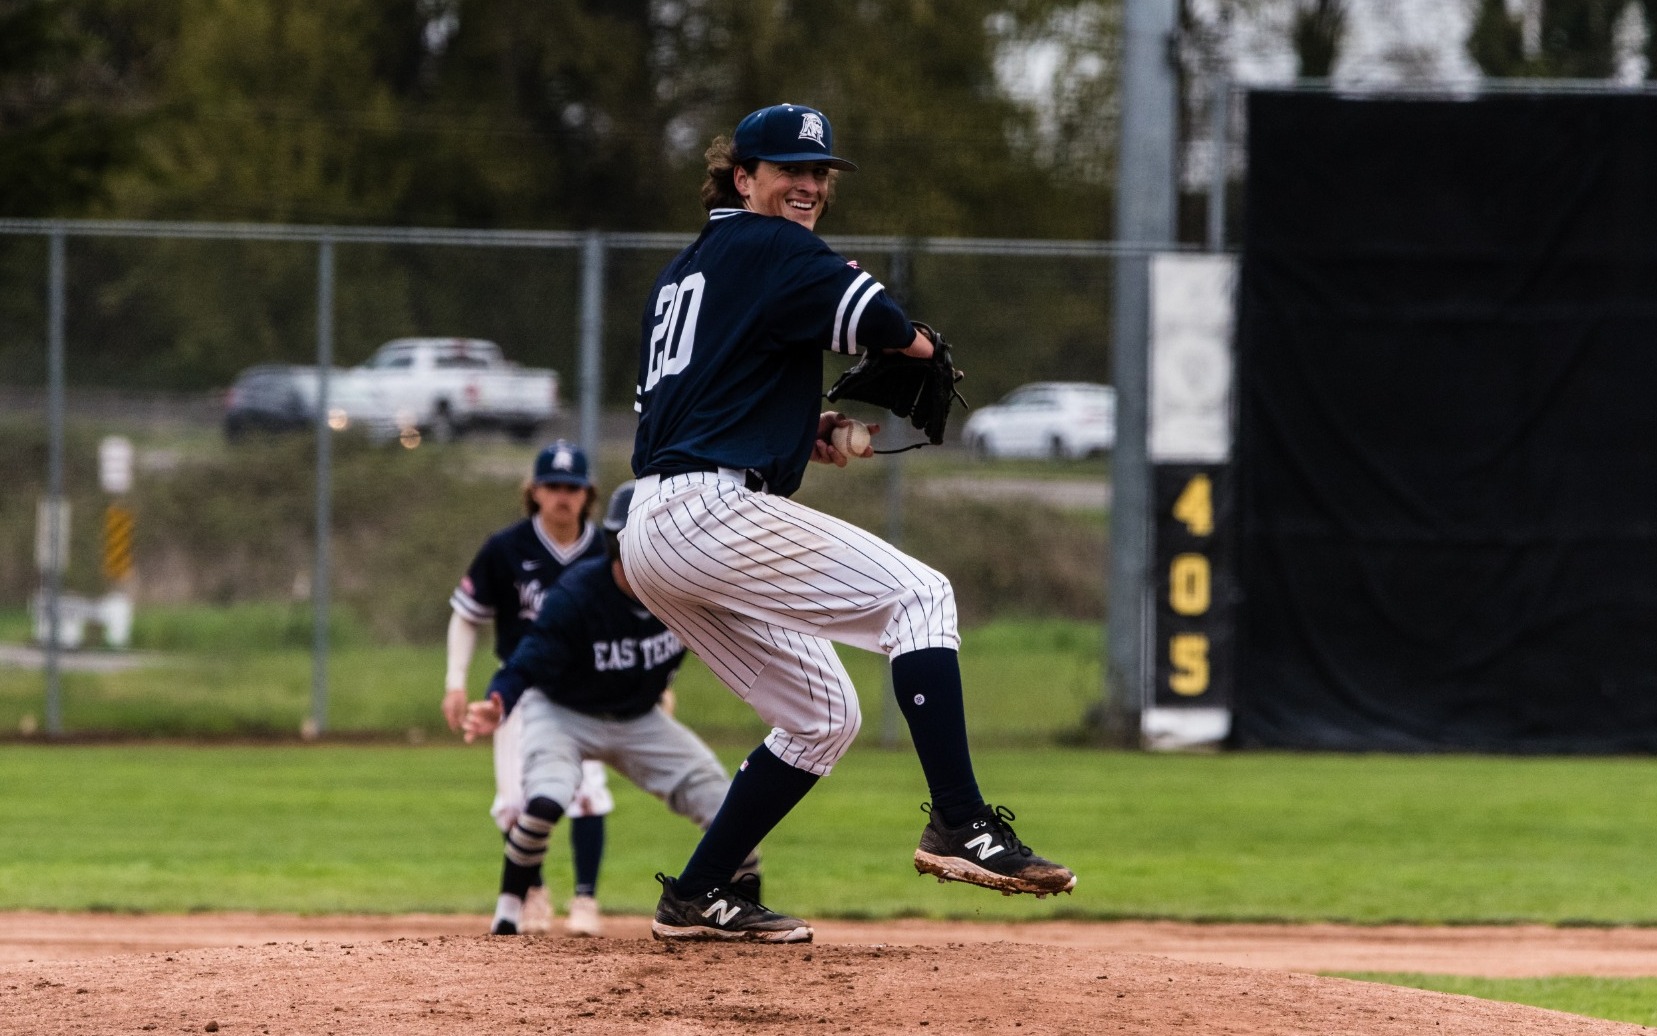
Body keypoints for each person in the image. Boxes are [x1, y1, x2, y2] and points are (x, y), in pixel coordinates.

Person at [622, 103, 1077, 943]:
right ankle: (962, 823)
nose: (807, 185)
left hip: (656, 528)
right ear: (740, 177)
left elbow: (687, 407)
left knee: (821, 714)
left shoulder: (687, 271)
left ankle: (696, 896)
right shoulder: (771, 245)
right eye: (788, 169)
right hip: (707, 511)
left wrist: (804, 430)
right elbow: (887, 327)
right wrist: (921, 350)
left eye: (819, 172)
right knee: (921, 598)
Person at [461, 480, 762, 938]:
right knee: (545, 800)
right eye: (647, 541)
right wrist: (499, 699)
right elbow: (528, 659)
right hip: (563, 713)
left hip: (638, 720)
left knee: (731, 811)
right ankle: (507, 912)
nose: (661, 553)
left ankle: (742, 915)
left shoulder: (686, 592)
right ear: (619, 545)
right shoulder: (578, 594)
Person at [444, 439, 614, 936]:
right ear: (535, 492)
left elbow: (646, 617)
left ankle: (585, 901)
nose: (563, 496)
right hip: (518, 691)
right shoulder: (507, 549)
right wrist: (455, 680)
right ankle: (532, 892)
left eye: (573, 487)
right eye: (553, 486)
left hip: (590, 691)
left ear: (588, 494)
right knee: (515, 799)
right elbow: (467, 615)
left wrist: (655, 686)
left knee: (587, 792)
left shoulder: (608, 548)